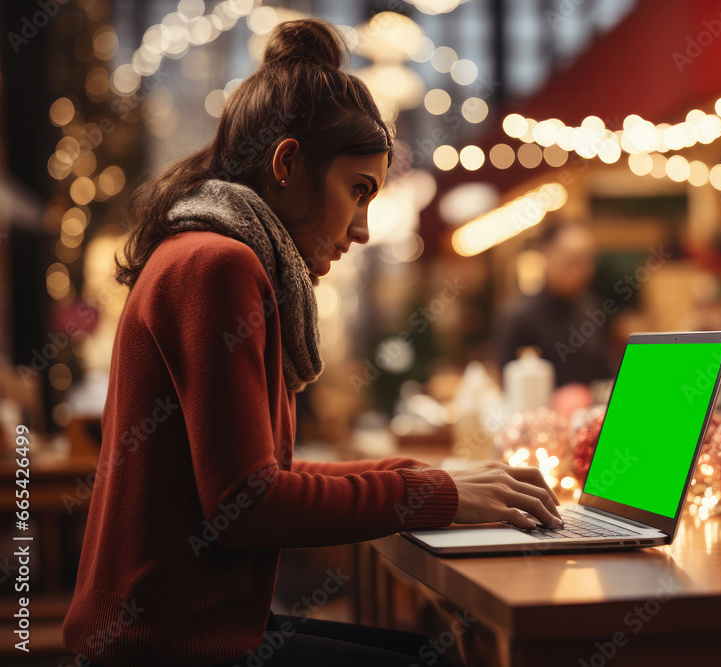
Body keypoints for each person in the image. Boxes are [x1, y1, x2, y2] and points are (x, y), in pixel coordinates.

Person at [62, 20, 560, 667]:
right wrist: (441, 493)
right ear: (287, 163)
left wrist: (440, 480)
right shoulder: (219, 265)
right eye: (359, 191)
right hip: (166, 647)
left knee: (436, 650)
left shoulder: (207, 250)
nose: (362, 229)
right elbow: (247, 504)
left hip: (174, 630)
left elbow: (265, 479)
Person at [494, 223, 613, 387]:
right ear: (546, 255)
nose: (581, 270)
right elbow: (507, 385)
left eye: (587, 260)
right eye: (572, 259)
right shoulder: (519, 316)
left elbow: (604, 375)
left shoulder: (590, 308)